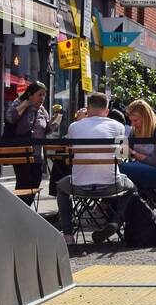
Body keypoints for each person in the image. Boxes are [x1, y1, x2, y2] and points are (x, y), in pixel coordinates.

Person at [56, 93, 135, 246]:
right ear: (107, 110)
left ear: (88, 108)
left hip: (79, 186)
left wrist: (80, 120)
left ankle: (68, 235)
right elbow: (122, 156)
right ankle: (115, 222)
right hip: (111, 185)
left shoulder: (74, 126)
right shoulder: (118, 126)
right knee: (132, 188)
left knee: (61, 186)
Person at [4, 81, 48, 204]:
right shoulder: (19, 103)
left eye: (44, 95)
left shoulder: (42, 110)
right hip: (21, 153)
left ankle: (23, 211)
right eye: (40, 94)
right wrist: (25, 104)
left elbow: (46, 129)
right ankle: (20, 212)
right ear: (30, 94)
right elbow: (10, 118)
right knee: (24, 183)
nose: (42, 98)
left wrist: (56, 120)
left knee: (35, 182)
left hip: (37, 154)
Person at [122, 99, 156, 190]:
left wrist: (133, 153)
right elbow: (126, 153)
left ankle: (107, 202)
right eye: (131, 121)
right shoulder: (135, 131)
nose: (132, 124)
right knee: (113, 169)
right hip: (142, 169)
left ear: (146, 117)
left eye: (135, 120)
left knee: (118, 169)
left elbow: (155, 162)